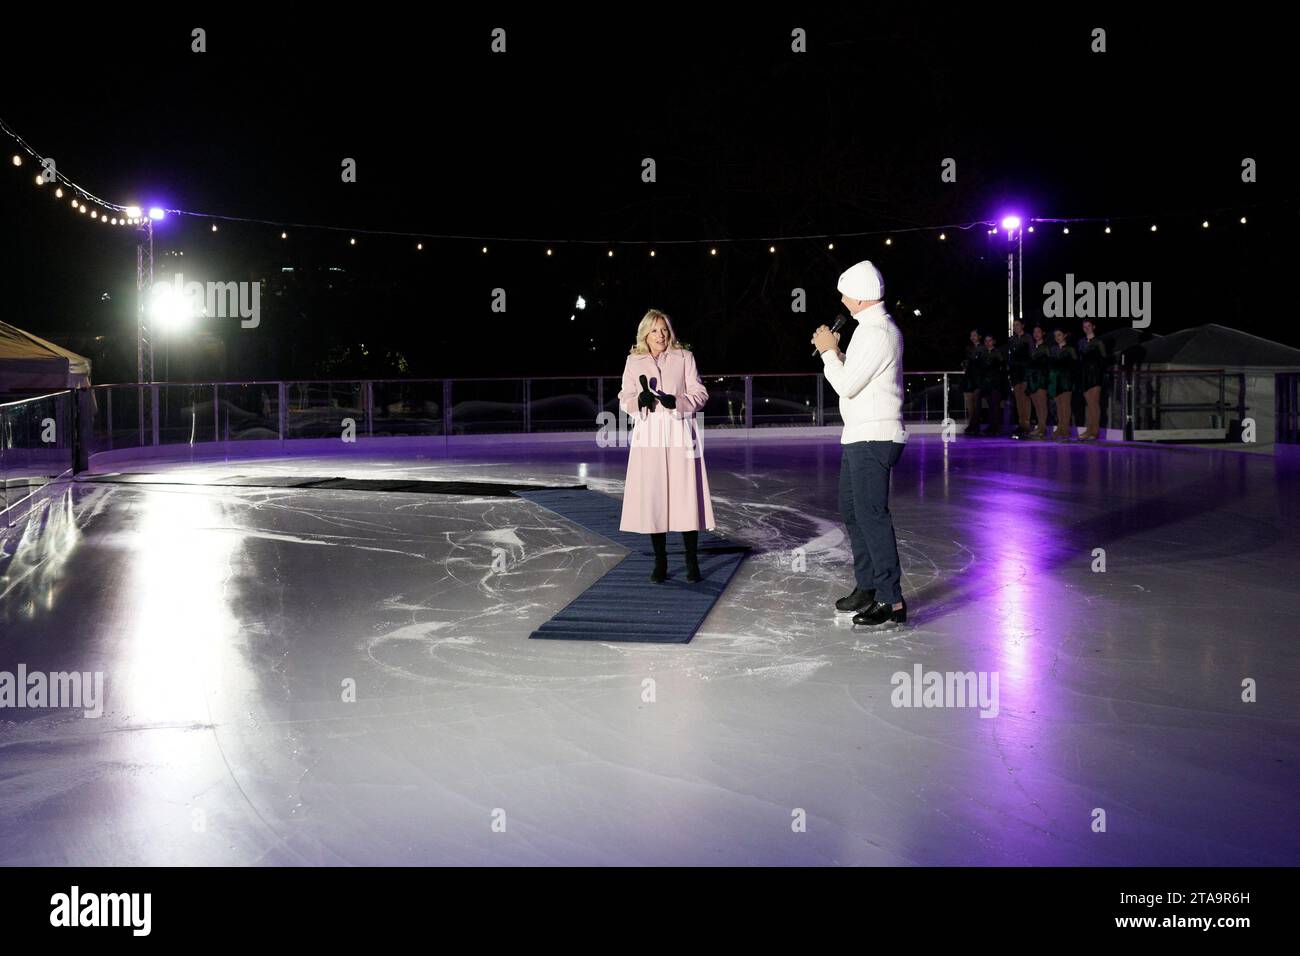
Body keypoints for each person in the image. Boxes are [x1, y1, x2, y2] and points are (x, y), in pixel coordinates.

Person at [812, 260, 908, 627]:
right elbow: (856, 375)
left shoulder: (877, 332)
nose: (840, 298)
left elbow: (847, 385)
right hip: (860, 434)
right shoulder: (868, 330)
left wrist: (825, 352)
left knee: (870, 515)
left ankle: (890, 599)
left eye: (845, 291)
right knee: (853, 512)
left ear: (861, 297)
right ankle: (868, 587)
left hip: (874, 435)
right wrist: (835, 352)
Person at [618, 309, 714, 582]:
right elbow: (625, 396)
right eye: (655, 330)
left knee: (685, 497)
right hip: (648, 435)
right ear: (645, 334)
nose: (661, 335)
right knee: (655, 497)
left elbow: (700, 393)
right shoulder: (634, 361)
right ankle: (660, 562)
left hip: (679, 432)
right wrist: (639, 403)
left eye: (664, 329)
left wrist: (678, 402)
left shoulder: (684, 357)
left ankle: (691, 560)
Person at [1078, 319, 1107, 440]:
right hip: (1085, 375)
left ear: (1093, 327)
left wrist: (1099, 371)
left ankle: (1094, 431)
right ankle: (1089, 429)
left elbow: (1104, 359)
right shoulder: (1081, 342)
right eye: (1084, 327)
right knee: (1089, 405)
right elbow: (1080, 359)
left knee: (1094, 404)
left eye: (1089, 326)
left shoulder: (1099, 342)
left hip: (1095, 374)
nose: (1087, 328)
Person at [1048, 327, 1077, 441]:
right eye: (1055, 336)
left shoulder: (1070, 349)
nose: (1057, 337)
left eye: (1059, 335)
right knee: (1059, 405)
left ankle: (1065, 428)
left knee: (1065, 404)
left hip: (1066, 380)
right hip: (1056, 380)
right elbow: (1050, 365)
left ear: (1064, 335)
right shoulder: (1053, 349)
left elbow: (1074, 365)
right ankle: (1060, 427)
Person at [1007, 318, 1033, 438]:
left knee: (1025, 399)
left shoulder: (1028, 338)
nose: (1015, 326)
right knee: (1018, 399)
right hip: (1015, 372)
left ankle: (1026, 424)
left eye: (1017, 324)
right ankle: (1021, 424)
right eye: (1014, 325)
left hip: (1025, 371)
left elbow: (1032, 354)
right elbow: (1010, 357)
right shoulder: (1011, 339)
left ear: (1023, 325)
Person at [1026, 324, 1051, 439]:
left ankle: (1043, 428)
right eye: (1034, 332)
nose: (1036, 334)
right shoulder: (1032, 348)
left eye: (1038, 332)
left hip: (1041, 379)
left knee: (1042, 404)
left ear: (1043, 333)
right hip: (1032, 379)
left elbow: (1048, 364)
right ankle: (1039, 426)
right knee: (1036, 405)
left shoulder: (1045, 347)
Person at [979, 332, 1006, 436]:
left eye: (989, 340)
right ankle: (992, 426)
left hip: (996, 382)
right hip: (986, 383)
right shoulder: (983, 353)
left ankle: (997, 427)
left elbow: (1001, 366)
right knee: (990, 405)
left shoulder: (997, 352)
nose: (987, 343)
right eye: (986, 341)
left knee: (995, 405)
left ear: (993, 341)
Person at [960, 329, 984, 435]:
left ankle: (976, 424)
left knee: (977, 402)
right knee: (970, 403)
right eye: (971, 335)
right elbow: (966, 361)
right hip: (969, 378)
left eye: (975, 335)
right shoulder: (968, 348)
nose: (972, 337)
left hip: (978, 378)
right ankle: (971, 424)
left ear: (979, 336)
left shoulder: (983, 348)